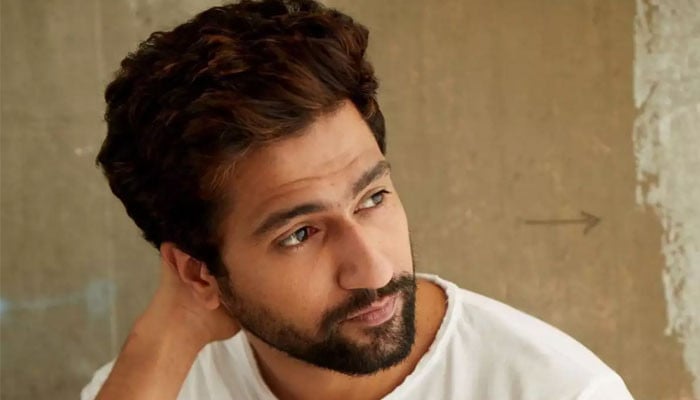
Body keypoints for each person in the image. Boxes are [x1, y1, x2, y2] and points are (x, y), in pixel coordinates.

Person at [81, 1, 635, 399]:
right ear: (198, 273)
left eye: (372, 198)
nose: (374, 270)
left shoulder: (558, 390)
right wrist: (167, 337)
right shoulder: (160, 382)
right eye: (300, 234)